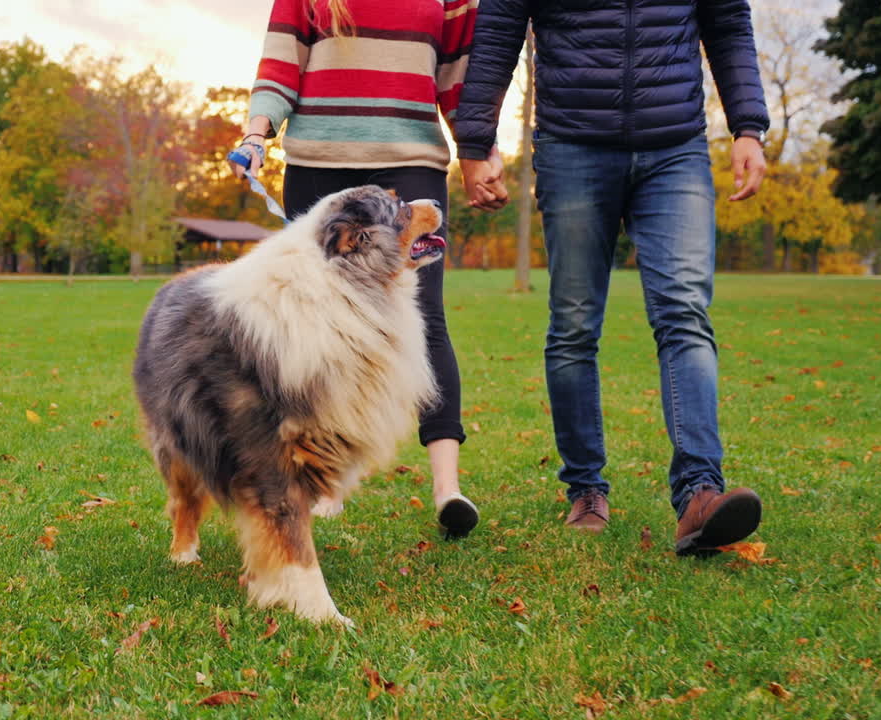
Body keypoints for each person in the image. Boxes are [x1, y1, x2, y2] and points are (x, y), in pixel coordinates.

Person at [455, 0, 769, 555]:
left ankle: (700, 493)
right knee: (574, 325)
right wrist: (475, 142)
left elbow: (727, 24)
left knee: (684, 313)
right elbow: (499, 28)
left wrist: (748, 126)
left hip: (675, 145)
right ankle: (585, 488)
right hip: (572, 144)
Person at [230, 0, 508, 539]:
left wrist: (480, 153)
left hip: (409, 159)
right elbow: (281, 63)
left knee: (424, 317)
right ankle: (324, 480)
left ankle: (448, 489)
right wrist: (256, 134)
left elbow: (456, 80)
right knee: (317, 328)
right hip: (319, 164)